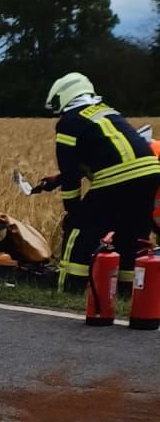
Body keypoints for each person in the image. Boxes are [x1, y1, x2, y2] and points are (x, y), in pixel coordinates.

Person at [39, 73, 160, 296]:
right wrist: (58, 180)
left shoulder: (69, 122)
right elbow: (110, 155)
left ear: (64, 96)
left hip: (116, 178)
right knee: (130, 235)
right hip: (151, 173)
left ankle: (69, 289)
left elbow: (71, 172)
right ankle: (127, 294)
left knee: (80, 231)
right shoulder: (109, 112)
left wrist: (73, 210)